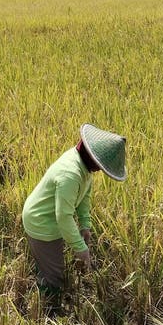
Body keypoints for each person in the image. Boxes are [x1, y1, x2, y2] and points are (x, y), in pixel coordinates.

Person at [22, 124, 127, 308]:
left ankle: (45, 275)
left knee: (51, 263)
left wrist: (85, 224)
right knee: (54, 274)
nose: (99, 170)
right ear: (93, 157)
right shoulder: (70, 173)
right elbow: (63, 216)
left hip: (52, 220)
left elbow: (84, 195)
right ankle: (48, 310)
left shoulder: (83, 165)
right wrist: (80, 247)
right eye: (100, 166)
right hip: (41, 222)